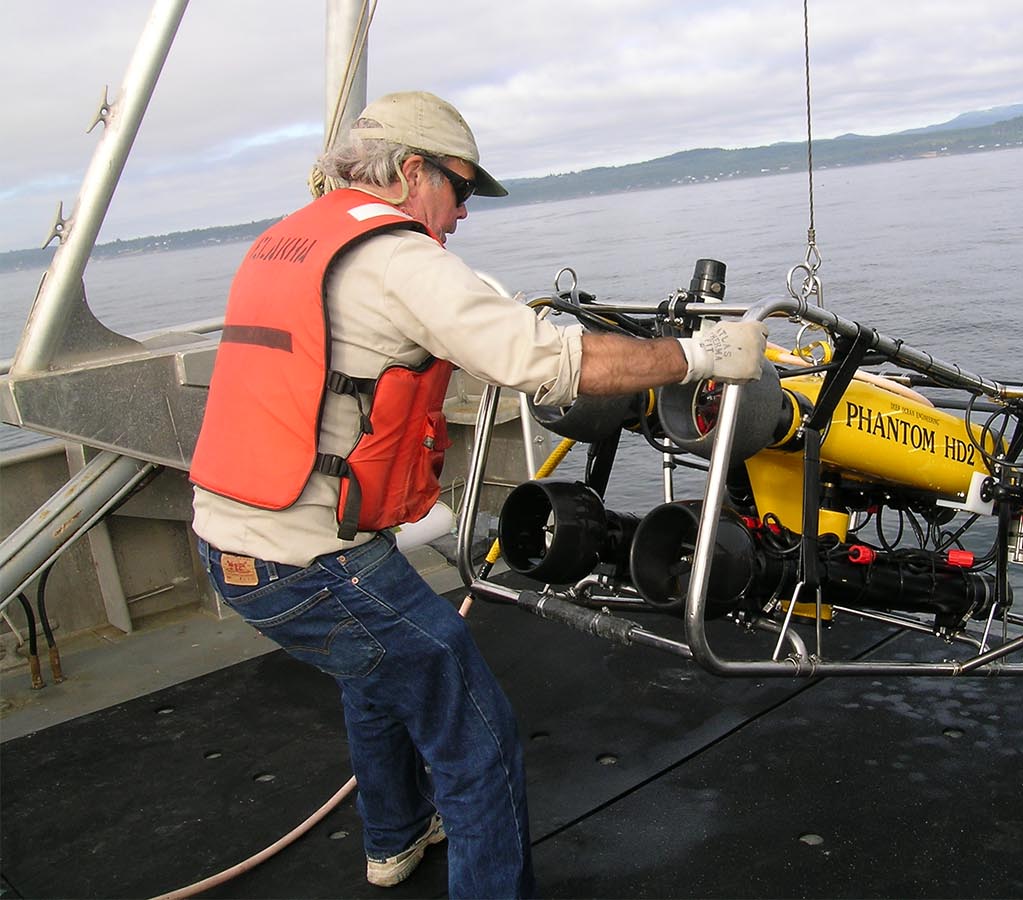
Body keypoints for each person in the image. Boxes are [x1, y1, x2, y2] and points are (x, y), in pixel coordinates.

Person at [188, 90, 766, 898]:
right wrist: (699, 355)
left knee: (379, 673)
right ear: (413, 171)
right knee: (477, 735)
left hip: (228, 540)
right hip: (308, 559)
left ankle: (392, 839)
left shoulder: (288, 239)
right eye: (460, 189)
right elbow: (544, 363)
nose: (462, 214)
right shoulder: (398, 258)